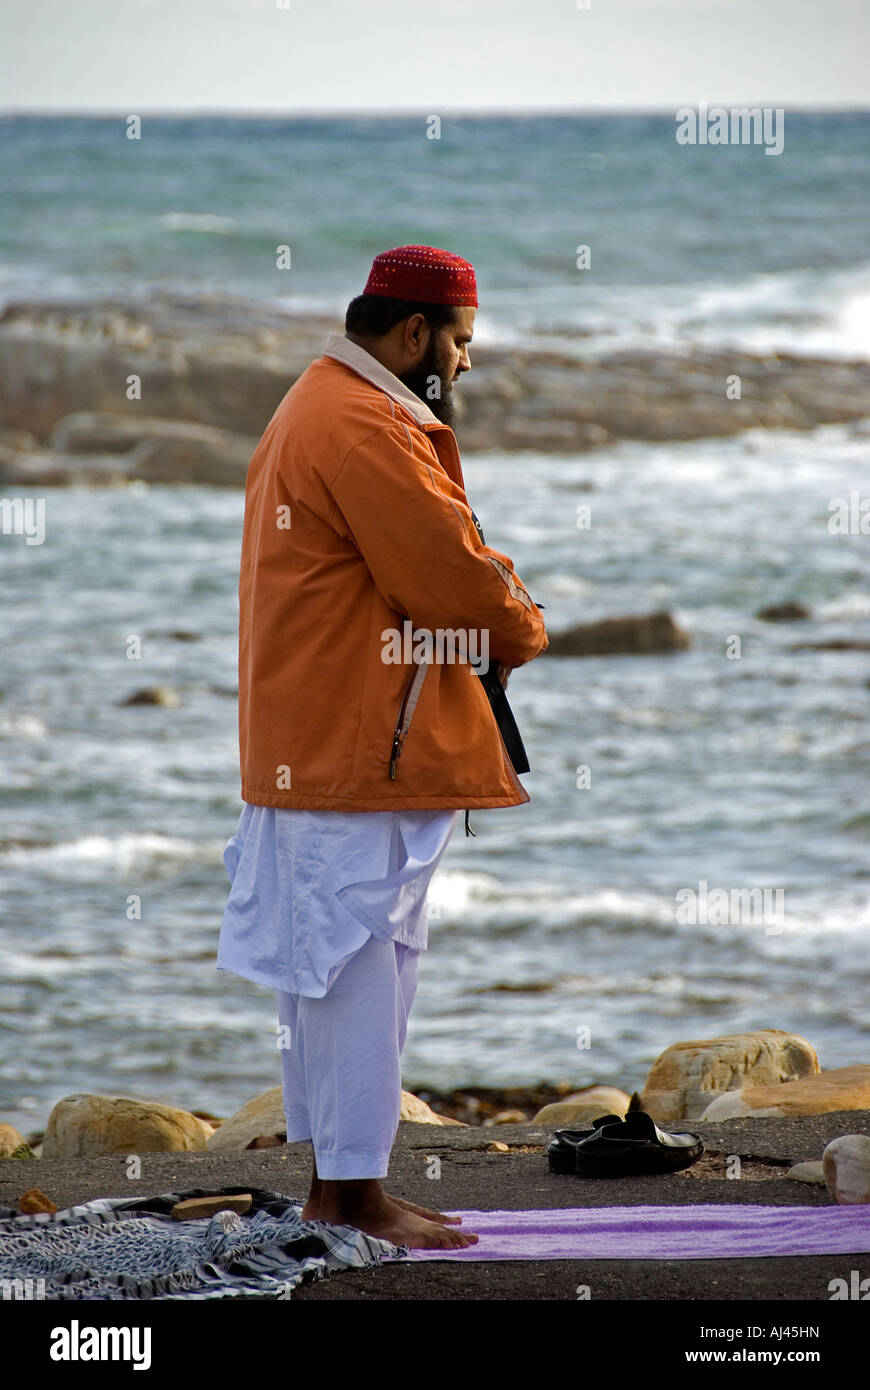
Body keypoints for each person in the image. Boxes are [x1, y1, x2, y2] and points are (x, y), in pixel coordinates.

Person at [218, 244, 548, 1249]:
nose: (467, 363)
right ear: (414, 334)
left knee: (334, 967)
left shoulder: (321, 402)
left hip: (322, 742)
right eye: (462, 342)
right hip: (356, 750)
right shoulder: (364, 423)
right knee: (361, 961)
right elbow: (456, 584)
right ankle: (355, 1197)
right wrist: (525, 622)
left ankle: (339, 1190)